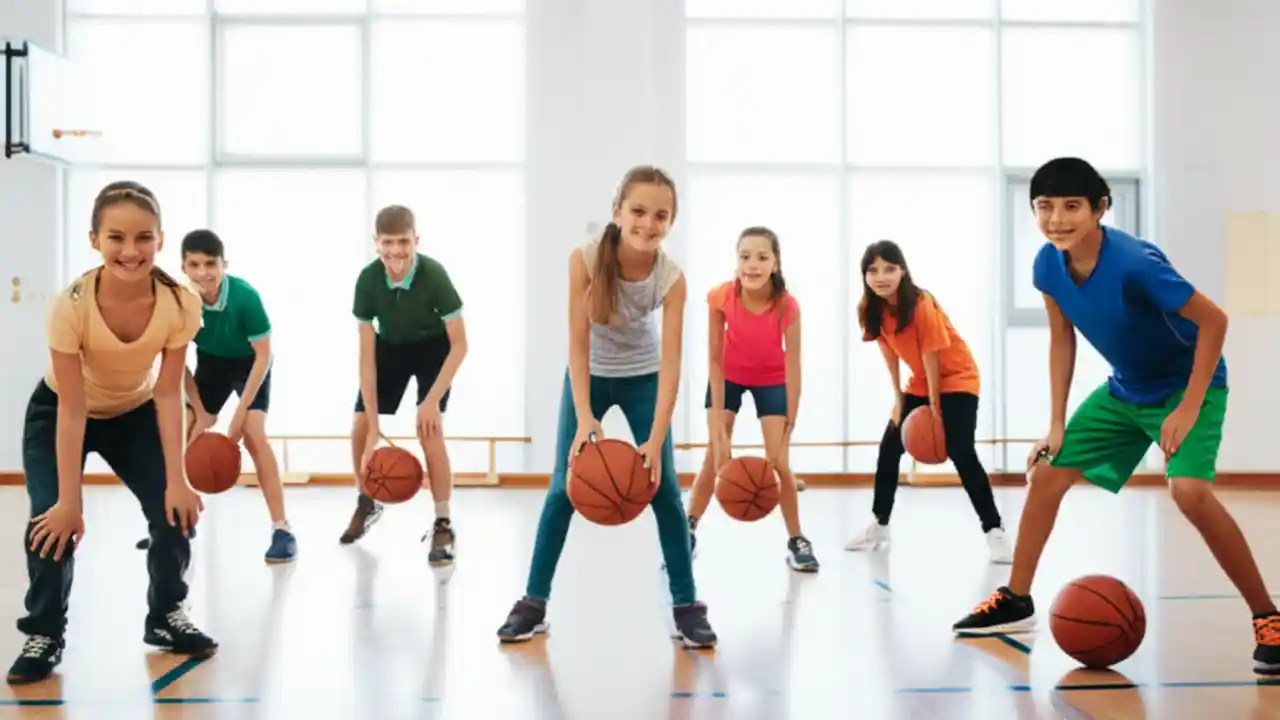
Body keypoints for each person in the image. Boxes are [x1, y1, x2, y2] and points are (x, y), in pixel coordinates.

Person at [950, 157, 1279, 675]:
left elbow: (1214, 321)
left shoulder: (1135, 263)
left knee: (1190, 492)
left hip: (1188, 385)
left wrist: (1189, 408)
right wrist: (1056, 424)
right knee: (1047, 475)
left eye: (1071, 206)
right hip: (1125, 391)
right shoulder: (1046, 263)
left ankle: (1268, 617)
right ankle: (1016, 598)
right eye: (1045, 207)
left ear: (1100, 208)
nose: (1057, 218)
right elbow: (1061, 337)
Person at [495, 165, 716, 648]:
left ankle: (686, 606)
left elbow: (672, 364)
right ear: (617, 212)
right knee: (562, 489)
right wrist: (584, 414)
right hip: (587, 376)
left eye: (661, 215)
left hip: (644, 379)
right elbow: (576, 343)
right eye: (638, 211)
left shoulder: (671, 278)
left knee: (666, 493)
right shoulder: (586, 258)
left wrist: (655, 440)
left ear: (671, 222)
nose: (648, 223)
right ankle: (533, 603)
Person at [8, 181, 218, 685]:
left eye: (143, 238)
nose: (130, 250)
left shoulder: (179, 304)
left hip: (135, 410)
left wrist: (177, 478)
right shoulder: (70, 306)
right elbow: (74, 407)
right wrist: (69, 502)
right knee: (50, 522)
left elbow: (169, 393)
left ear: (161, 241)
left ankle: (166, 616)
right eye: (116, 237)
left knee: (174, 511)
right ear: (94, 240)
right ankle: (44, 632)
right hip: (60, 408)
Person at [843, 240, 1012, 563]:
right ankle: (880, 523)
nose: (881, 277)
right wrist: (897, 397)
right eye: (873, 270)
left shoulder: (921, 302)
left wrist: (935, 407)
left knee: (962, 451)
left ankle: (995, 532)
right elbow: (888, 351)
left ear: (902, 270)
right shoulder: (871, 309)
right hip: (920, 381)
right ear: (864, 276)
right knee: (889, 447)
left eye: (889, 269)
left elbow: (931, 354)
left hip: (958, 377)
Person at [138, 230, 294, 562]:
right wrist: (199, 409)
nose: (203, 272)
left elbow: (264, 355)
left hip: (252, 363)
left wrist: (238, 417)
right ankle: (171, 523)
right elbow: (176, 362)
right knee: (177, 429)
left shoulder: (245, 298)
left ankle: (282, 530)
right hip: (211, 363)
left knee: (253, 434)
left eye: (210, 264)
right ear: (183, 266)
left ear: (225, 264)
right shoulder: (179, 301)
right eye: (194, 264)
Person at [684, 226, 819, 572]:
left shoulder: (787, 306)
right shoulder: (721, 297)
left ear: (775, 263)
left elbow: (794, 364)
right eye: (745, 257)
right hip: (727, 377)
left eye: (762, 257)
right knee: (714, 456)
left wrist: (792, 415)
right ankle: (686, 531)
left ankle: (797, 539)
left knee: (780, 463)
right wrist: (717, 423)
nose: (753, 265)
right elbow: (714, 359)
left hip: (772, 380)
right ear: (736, 261)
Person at [341, 205, 467, 568]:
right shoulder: (367, 280)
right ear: (376, 243)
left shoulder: (434, 275)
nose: (396, 251)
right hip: (391, 346)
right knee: (360, 424)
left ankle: (443, 522)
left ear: (416, 240)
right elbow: (367, 354)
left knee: (429, 429)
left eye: (403, 242)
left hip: (434, 347)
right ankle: (367, 500)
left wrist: (430, 402)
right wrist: (372, 422)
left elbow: (460, 344)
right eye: (388, 243)